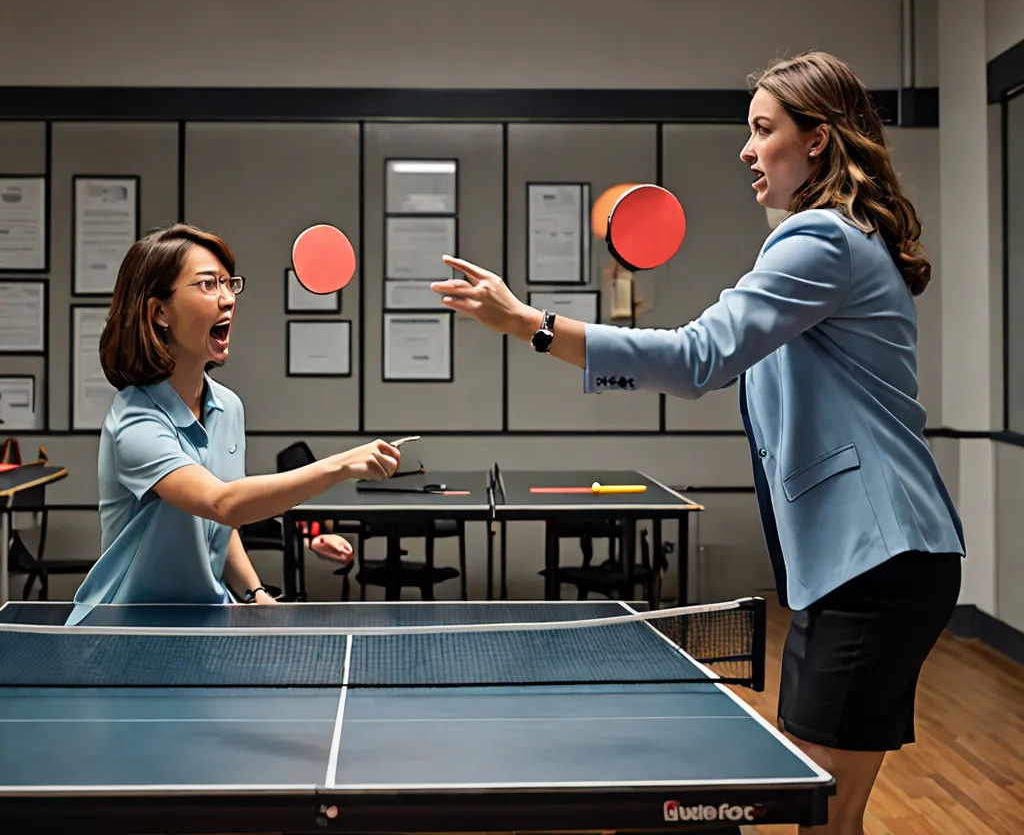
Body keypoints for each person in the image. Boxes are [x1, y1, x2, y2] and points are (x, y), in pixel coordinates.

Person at [431, 51, 965, 835]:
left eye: (762, 129)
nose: (747, 151)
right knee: (828, 814)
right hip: (872, 562)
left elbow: (696, 358)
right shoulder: (840, 240)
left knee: (811, 809)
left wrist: (533, 326)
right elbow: (710, 368)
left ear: (817, 140)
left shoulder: (818, 239)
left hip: (875, 562)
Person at [69, 224, 399, 622]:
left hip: (205, 619)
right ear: (159, 312)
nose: (228, 299)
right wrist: (341, 465)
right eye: (208, 285)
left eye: (229, 283)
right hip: (128, 627)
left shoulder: (228, 407)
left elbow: (219, 527)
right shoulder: (135, 420)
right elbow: (222, 504)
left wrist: (255, 592)